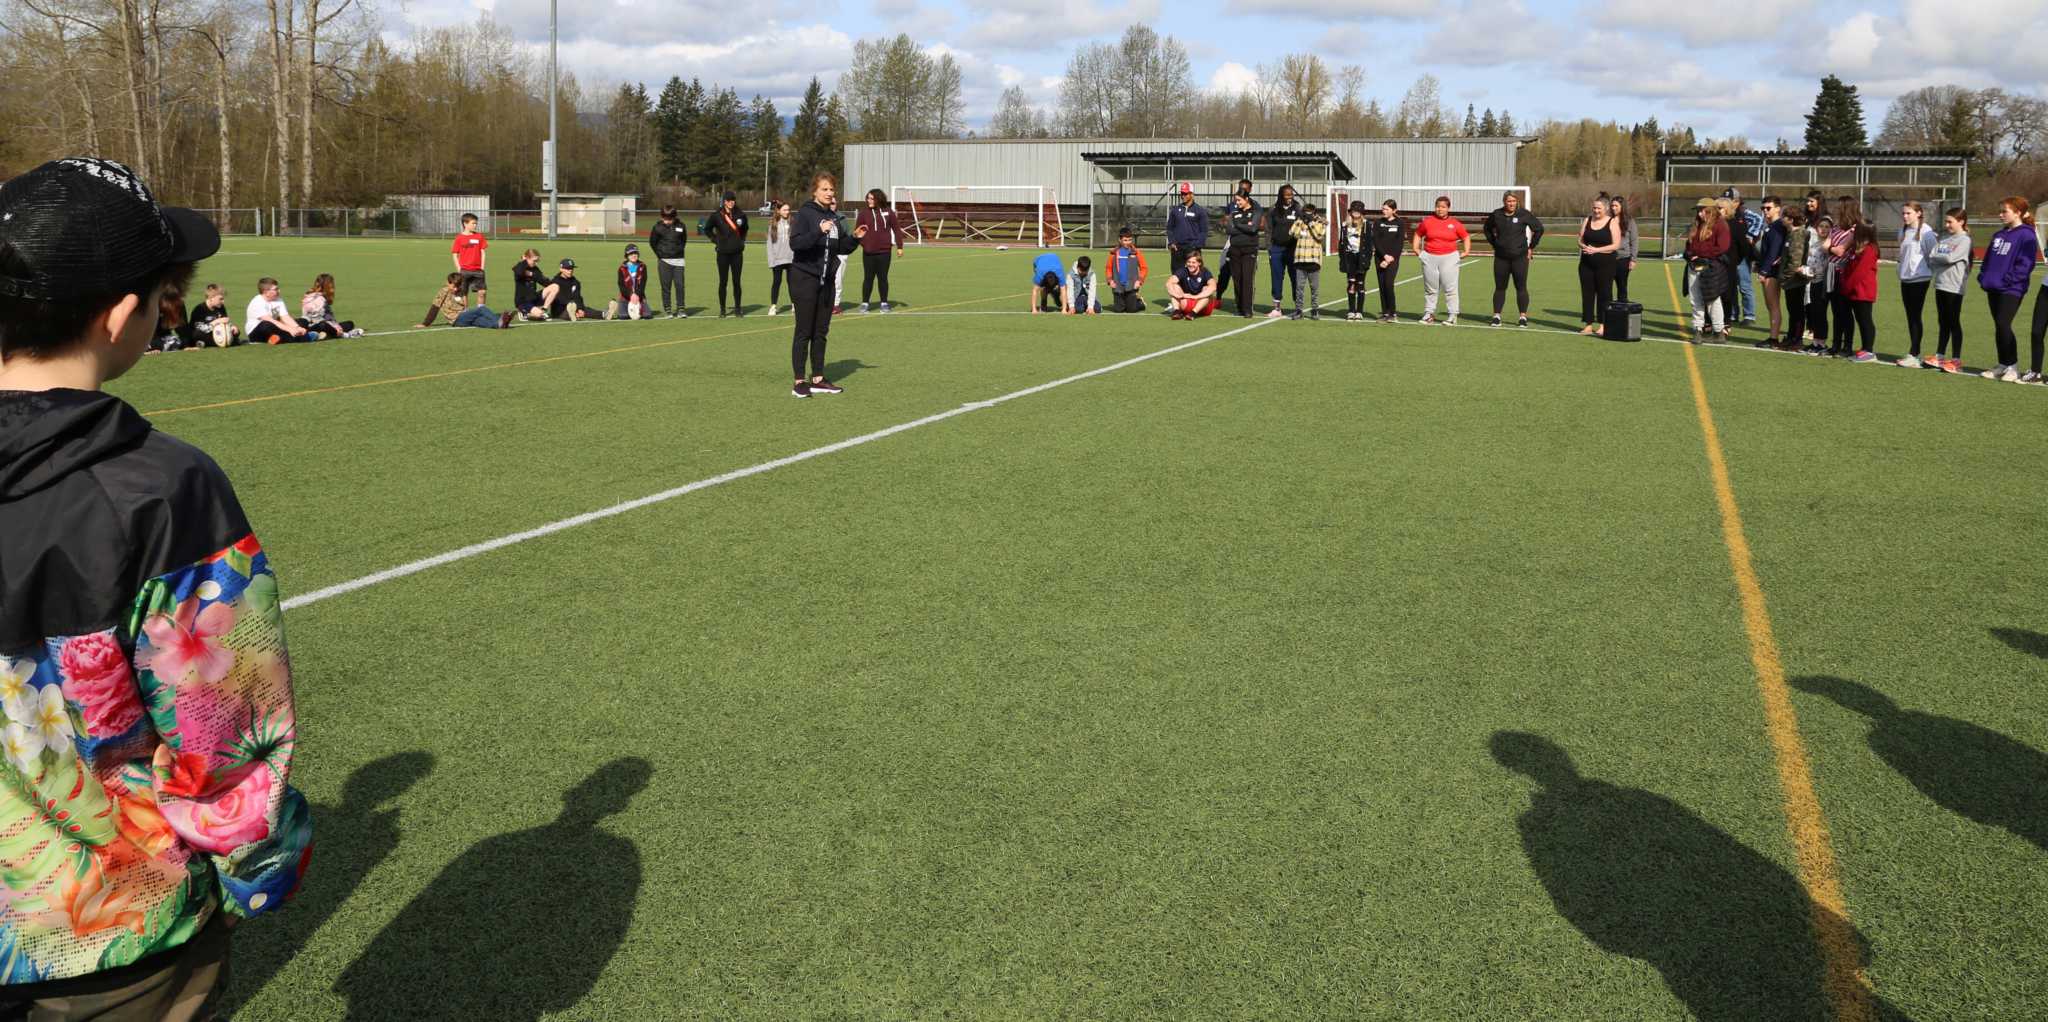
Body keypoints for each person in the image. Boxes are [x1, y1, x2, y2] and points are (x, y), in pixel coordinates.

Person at [0, 155, 310, 1018]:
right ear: (125, 312)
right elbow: (227, 734)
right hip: (111, 937)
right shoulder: (161, 491)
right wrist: (259, 876)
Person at [787, 173, 865, 398]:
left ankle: (818, 378)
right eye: (825, 189)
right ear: (814, 192)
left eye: (832, 189)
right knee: (804, 331)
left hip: (826, 281)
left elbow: (840, 247)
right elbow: (796, 244)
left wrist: (855, 239)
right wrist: (817, 231)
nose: (830, 193)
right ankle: (799, 381)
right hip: (804, 279)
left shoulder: (833, 217)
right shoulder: (805, 214)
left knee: (821, 331)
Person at [1978, 198, 2039, 382]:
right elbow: (1988, 259)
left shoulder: (2027, 235)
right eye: (2000, 211)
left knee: (2004, 323)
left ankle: (2012, 366)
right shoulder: (1999, 234)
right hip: (1993, 286)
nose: (2000, 214)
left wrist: (2009, 280)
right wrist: (1984, 276)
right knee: (1999, 325)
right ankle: (2002, 364)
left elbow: (2026, 263)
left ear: (2018, 212)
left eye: (2005, 211)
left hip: (2012, 288)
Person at [1483, 191, 1543, 327]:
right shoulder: (1496, 214)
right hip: (1501, 258)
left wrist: (1531, 247)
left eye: (1513, 201)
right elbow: (1487, 229)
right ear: (1504, 201)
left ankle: (1523, 317)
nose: (1511, 203)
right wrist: (1495, 244)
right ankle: (1496, 316)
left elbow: (1539, 229)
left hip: (1520, 258)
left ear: (1517, 202)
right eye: (1509, 201)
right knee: (1500, 287)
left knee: (1521, 287)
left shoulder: (1524, 214)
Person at [1893, 202, 1938, 368]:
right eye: (1903, 213)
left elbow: (1932, 255)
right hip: (1905, 279)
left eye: (1908, 213)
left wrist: (1923, 271)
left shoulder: (1927, 232)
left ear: (1918, 213)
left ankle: (1914, 353)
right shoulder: (1902, 231)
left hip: (1920, 280)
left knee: (1915, 315)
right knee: (1910, 315)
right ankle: (1913, 352)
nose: (1905, 216)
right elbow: (1903, 254)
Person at [1927, 208, 1971, 374]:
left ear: (1961, 222)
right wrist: (1941, 257)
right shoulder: (1945, 239)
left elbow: (1949, 258)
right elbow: (1932, 255)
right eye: (1946, 222)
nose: (1947, 225)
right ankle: (1939, 355)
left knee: (1953, 322)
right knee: (1943, 321)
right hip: (1940, 284)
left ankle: (1956, 359)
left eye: (1950, 222)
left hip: (1954, 286)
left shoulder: (1964, 240)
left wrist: (1940, 257)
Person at [1413, 195, 1469, 325]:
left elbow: (1465, 237)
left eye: (1443, 207)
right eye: (1438, 206)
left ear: (1448, 208)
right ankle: (1428, 314)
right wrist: (1417, 249)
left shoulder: (1455, 223)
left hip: (1449, 257)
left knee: (1450, 288)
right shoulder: (1427, 221)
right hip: (1429, 257)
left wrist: (1466, 251)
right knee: (1430, 288)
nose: (1440, 209)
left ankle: (1452, 315)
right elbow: (1418, 234)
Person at [1684, 203, 1731, 341]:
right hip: (1694, 267)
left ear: (1710, 211)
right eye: (1698, 211)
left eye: (1702, 211)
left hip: (1711, 267)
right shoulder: (1696, 225)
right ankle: (1698, 329)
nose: (1699, 214)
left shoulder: (1720, 225)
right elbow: (1689, 245)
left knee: (1712, 299)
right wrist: (1688, 254)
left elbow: (1722, 247)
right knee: (1695, 299)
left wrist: (1701, 255)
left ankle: (1718, 331)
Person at [1824, 196, 1864, 358]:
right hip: (1831, 270)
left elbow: (1840, 251)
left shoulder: (1855, 229)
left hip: (1844, 272)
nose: (1835, 209)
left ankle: (1847, 346)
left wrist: (1830, 248)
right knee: (1836, 310)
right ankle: (1835, 344)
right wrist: (1831, 248)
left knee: (1845, 311)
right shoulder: (1835, 227)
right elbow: (1825, 246)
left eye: (1839, 206)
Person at [1574, 195, 1620, 335]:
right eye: (1594, 208)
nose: (1596, 211)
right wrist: (1584, 246)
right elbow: (1580, 240)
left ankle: (1603, 324)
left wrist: (1597, 250)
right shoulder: (1587, 220)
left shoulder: (1612, 222)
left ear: (1605, 209)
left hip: (1606, 265)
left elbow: (1616, 245)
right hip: (1586, 265)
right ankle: (1588, 325)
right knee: (1587, 294)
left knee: (1604, 295)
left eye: (1598, 208)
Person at [855, 189, 905, 313]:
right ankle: (865, 303)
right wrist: (864, 244)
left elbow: (897, 229)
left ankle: (884, 303)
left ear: (879, 199)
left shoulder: (889, 212)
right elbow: (858, 231)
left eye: (872, 198)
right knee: (868, 278)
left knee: (883, 278)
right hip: (868, 253)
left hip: (884, 252)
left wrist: (900, 247)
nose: (869, 201)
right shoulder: (863, 213)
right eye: (868, 198)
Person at [703, 191, 750, 317]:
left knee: (736, 282)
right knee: (723, 282)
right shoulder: (717, 215)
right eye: (729, 200)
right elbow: (707, 229)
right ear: (724, 201)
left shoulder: (741, 214)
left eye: (733, 200)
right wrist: (715, 240)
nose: (731, 202)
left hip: (737, 253)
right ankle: (722, 309)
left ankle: (738, 308)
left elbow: (745, 228)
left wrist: (741, 241)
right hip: (722, 253)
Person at [1839, 223, 1880, 362]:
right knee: (1859, 319)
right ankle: (1863, 349)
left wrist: (1845, 287)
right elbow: (1848, 268)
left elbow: (1860, 273)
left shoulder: (1870, 249)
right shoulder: (1855, 248)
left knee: (1865, 320)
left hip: (1863, 291)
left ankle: (1869, 350)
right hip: (1852, 291)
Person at [419, 272, 515, 329]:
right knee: (481, 309)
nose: (456, 289)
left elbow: (464, 305)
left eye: (457, 286)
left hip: (463, 317)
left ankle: (499, 324)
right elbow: (435, 308)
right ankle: (499, 318)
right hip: (456, 319)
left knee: (480, 321)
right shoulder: (443, 291)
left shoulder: (460, 291)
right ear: (447, 282)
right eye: (453, 286)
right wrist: (425, 324)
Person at [1723, 188, 1763, 323]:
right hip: (1728, 256)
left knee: (1745, 286)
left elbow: (1758, 219)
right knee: (1730, 285)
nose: (1728, 203)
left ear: (1737, 202)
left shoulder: (1744, 213)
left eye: (1731, 200)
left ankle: (1749, 315)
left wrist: (1750, 236)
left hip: (1742, 256)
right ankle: (1733, 314)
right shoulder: (1725, 214)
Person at [1752, 197, 1787, 348]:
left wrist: (1764, 270)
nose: (1765, 211)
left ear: (1778, 208)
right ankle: (1773, 337)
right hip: (1768, 270)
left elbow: (1774, 251)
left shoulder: (1778, 226)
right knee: (1770, 305)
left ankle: (1773, 339)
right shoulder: (1771, 225)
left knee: (1773, 305)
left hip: (1772, 272)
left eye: (1768, 208)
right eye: (1763, 208)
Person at [1264, 185, 1303, 318]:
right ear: (1281, 195)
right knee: (1276, 277)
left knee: (1295, 278)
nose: (1289, 197)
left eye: (1291, 194)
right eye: (1287, 195)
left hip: (1293, 250)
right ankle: (1277, 308)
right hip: (1276, 249)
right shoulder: (1273, 210)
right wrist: (1269, 247)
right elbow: (1268, 229)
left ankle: (1298, 308)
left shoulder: (1298, 209)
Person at [1775, 207, 1810, 353]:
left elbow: (1795, 260)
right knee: (1792, 309)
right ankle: (1790, 337)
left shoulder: (1798, 234)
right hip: (1790, 279)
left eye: (1784, 216)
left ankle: (1797, 339)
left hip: (1795, 279)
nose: (1782, 219)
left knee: (1797, 311)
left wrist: (1786, 277)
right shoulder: (1792, 233)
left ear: (1790, 219)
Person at [1224, 192, 1261, 318]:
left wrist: (1238, 225)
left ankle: (1247, 309)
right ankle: (1239, 307)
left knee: (1247, 279)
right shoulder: (1234, 213)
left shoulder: (1256, 212)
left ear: (1246, 199)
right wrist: (1245, 225)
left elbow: (1253, 229)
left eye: (1239, 200)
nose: (1237, 203)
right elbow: (1229, 229)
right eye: (1236, 201)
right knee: (1237, 279)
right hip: (1234, 250)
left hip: (1249, 250)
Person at [648, 206, 689, 318]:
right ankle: (668, 310)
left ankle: (681, 309)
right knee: (666, 287)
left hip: (679, 261)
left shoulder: (681, 226)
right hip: (664, 261)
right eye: (665, 218)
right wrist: (660, 255)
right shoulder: (657, 227)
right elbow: (652, 242)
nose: (667, 220)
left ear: (674, 217)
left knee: (680, 285)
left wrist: (679, 251)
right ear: (662, 217)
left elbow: (684, 240)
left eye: (670, 218)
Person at [1217, 177, 1253, 303]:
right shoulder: (1232, 204)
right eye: (1240, 188)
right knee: (1224, 269)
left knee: (1247, 274)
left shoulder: (1254, 206)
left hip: (1248, 242)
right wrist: (1223, 222)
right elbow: (1225, 219)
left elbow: (1257, 224)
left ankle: (1246, 301)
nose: (1242, 190)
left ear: (1250, 190)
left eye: (1245, 189)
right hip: (1232, 240)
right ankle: (1218, 296)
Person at [1289, 203, 1326, 320]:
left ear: (1314, 213)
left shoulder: (1320, 223)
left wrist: (1311, 223)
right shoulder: (1300, 221)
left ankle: (1315, 309)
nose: (1307, 215)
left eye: (1309, 213)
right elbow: (1292, 233)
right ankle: (1299, 310)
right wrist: (1300, 221)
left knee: (1314, 287)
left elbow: (1319, 235)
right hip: (1300, 259)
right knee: (1299, 287)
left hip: (1313, 260)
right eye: (1306, 212)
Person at [248, 276, 311, 344]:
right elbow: (271, 321)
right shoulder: (257, 302)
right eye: (276, 289)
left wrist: (297, 327)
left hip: (277, 327)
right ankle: (303, 337)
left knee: (302, 321)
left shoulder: (278, 300)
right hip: (257, 333)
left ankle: (277, 338)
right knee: (266, 325)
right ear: (266, 292)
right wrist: (290, 329)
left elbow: (285, 317)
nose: (279, 291)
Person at [1337, 201, 1372, 322]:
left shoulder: (1367, 225)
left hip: (1361, 258)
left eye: (1358, 210)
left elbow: (1369, 244)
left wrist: (1367, 260)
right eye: (1354, 210)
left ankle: (1359, 311)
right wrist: (1342, 258)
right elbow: (1341, 242)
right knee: (1351, 283)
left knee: (1360, 284)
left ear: (1362, 212)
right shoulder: (1344, 224)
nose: (1355, 212)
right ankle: (1351, 310)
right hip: (1349, 257)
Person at [1803, 214, 1834, 351]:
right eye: (1821, 226)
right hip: (1813, 281)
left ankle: (1821, 343)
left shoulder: (1829, 245)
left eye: (1827, 227)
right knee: (1814, 312)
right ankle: (1815, 341)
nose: (1823, 229)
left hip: (1824, 282)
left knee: (1821, 313)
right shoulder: (1814, 244)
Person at [1165, 182, 1208, 279]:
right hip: (1177, 248)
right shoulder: (1175, 210)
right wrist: (1172, 242)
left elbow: (1204, 231)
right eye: (1182, 193)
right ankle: (1178, 294)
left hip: (1192, 248)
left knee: (1195, 274)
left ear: (1192, 194)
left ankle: (1195, 294)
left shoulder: (1200, 211)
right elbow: (1169, 228)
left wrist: (1196, 246)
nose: (1183, 196)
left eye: (1185, 193)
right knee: (1176, 275)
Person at [1371, 200, 1404, 321]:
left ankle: (1393, 313)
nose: (1384, 211)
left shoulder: (1399, 223)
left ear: (1394, 210)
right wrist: (1384, 256)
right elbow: (1376, 241)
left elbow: (1399, 243)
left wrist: (1390, 258)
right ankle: (1385, 313)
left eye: (1386, 209)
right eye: (1383, 209)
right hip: (1380, 258)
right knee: (1382, 285)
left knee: (1388, 284)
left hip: (1393, 259)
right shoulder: (1378, 222)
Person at [301, 272, 358, 339]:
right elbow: (318, 319)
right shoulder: (320, 299)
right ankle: (344, 335)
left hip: (309, 326)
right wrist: (337, 327)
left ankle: (324, 335)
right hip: (318, 326)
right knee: (325, 326)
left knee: (349, 324)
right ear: (328, 286)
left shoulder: (308, 295)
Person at [1105, 227, 1149, 314]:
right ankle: (1124, 301)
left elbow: (1144, 268)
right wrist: (1110, 281)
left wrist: (1139, 281)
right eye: (1125, 240)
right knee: (1118, 310)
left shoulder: (1136, 252)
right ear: (1120, 240)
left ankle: (1140, 302)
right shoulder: (1113, 253)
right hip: (1118, 286)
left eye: (1129, 240)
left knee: (1131, 310)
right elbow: (1108, 268)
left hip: (1132, 286)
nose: (1128, 242)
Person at [1165, 251, 1217, 320]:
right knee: (1174, 286)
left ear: (1199, 263)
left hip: (1203, 305)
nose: (1190, 264)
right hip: (1188, 303)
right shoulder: (1183, 270)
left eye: (1193, 262)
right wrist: (1176, 295)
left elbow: (1213, 287)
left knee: (1206, 288)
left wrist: (1195, 297)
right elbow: (1169, 283)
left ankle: (1193, 313)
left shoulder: (1205, 271)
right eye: (1189, 262)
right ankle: (1177, 312)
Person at [451, 212, 488, 306]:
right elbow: (455, 254)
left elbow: (483, 252)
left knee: (482, 292)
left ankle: (480, 312)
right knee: (464, 293)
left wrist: (482, 267)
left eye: (476, 223)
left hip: (478, 270)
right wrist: (459, 268)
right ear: (465, 224)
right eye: (473, 223)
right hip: (464, 270)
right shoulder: (459, 238)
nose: (475, 225)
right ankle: (465, 312)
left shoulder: (479, 236)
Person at [189, 282, 240, 347]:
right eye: (220, 299)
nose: (223, 301)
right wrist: (215, 322)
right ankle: (228, 341)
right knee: (197, 334)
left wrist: (232, 327)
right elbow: (199, 330)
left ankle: (208, 343)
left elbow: (225, 322)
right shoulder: (200, 309)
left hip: (217, 333)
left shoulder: (221, 307)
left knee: (237, 332)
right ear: (211, 298)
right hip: (203, 334)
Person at [607, 244, 649, 320]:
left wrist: (637, 294)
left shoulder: (643, 266)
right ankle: (609, 310)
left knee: (647, 315)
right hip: (625, 297)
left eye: (635, 253)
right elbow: (621, 286)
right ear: (627, 255)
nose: (634, 255)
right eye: (631, 254)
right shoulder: (622, 268)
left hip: (639, 296)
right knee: (623, 316)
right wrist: (631, 294)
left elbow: (643, 283)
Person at [765, 202, 793, 316]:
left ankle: (794, 305)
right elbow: (769, 244)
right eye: (785, 210)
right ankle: (773, 306)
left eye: (788, 210)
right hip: (778, 260)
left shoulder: (793, 223)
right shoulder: (773, 225)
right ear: (779, 211)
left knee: (792, 283)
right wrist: (771, 260)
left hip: (791, 259)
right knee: (776, 282)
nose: (787, 212)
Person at [1610, 196, 1638, 304]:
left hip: (1623, 258)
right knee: (1606, 287)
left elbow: (1634, 241)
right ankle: (1606, 312)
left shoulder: (1630, 221)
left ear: (1622, 207)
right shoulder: (1608, 220)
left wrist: (1633, 259)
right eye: (1612, 205)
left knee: (1622, 286)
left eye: (1616, 205)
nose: (1613, 208)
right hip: (1608, 258)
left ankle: (1622, 311)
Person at [512, 249, 550, 321]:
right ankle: (524, 313)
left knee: (554, 287)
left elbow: (545, 282)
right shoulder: (519, 267)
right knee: (540, 315)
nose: (536, 263)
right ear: (527, 258)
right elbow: (519, 272)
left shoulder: (535, 269)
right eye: (534, 261)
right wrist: (524, 261)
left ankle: (543, 309)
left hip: (533, 298)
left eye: (537, 261)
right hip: (523, 301)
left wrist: (532, 274)